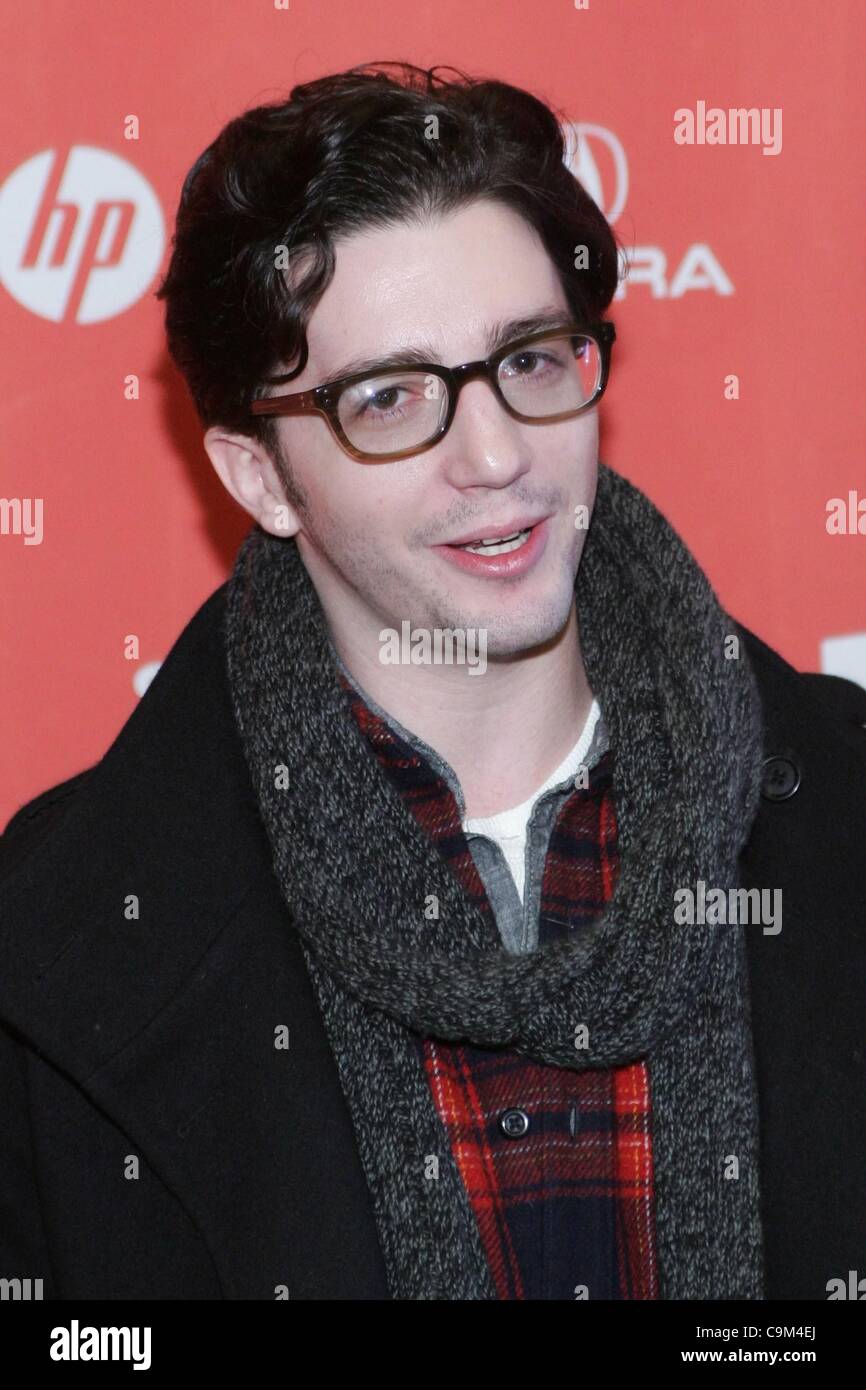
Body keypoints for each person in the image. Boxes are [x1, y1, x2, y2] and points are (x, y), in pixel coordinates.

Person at [1, 61, 864, 1303]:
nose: (498, 454)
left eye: (527, 359)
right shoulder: (65, 938)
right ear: (257, 477)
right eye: (390, 398)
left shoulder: (836, 805)